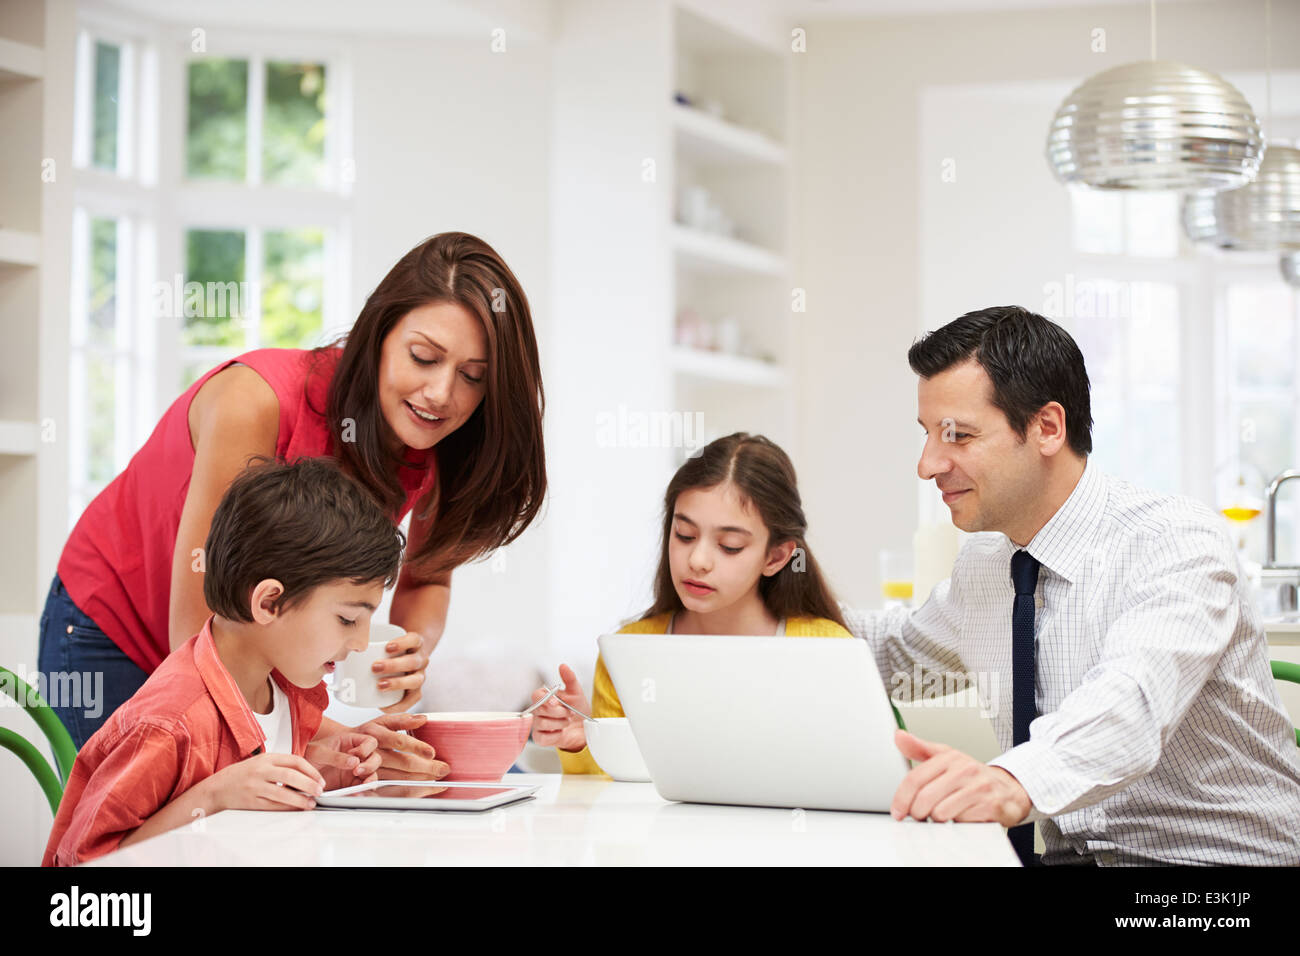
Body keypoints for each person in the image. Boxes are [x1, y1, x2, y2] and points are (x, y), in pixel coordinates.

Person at [40, 232, 547, 769]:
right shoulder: (254, 402)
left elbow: (427, 574)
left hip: (233, 654)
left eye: (472, 377)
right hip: (111, 629)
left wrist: (409, 649)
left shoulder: (440, 440)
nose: (442, 394)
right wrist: (319, 733)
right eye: (423, 357)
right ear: (377, 334)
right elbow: (197, 629)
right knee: (136, 845)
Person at [845, 304, 1300, 866]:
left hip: (1215, 876)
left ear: (1047, 428)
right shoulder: (989, 562)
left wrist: (1011, 782)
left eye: (957, 436)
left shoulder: (1175, 540)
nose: (927, 464)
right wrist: (759, 605)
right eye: (928, 436)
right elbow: (896, 652)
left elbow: (1131, 701)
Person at [43, 457, 425, 866]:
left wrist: (322, 775)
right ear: (269, 602)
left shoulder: (284, 692)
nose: (361, 642)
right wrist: (213, 798)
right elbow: (84, 864)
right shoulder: (168, 724)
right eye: (348, 619)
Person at [529, 433, 873, 774]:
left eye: (730, 545)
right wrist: (581, 741)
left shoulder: (828, 650)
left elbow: (855, 774)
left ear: (776, 556)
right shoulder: (630, 650)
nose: (698, 560)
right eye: (684, 535)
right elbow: (607, 791)